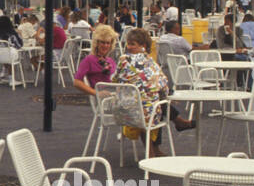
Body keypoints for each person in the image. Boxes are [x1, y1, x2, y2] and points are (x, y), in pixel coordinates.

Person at [112, 28, 194, 157]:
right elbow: (163, 83)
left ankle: (154, 150)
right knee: (157, 105)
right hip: (137, 111)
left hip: (126, 108)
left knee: (154, 104)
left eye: (132, 44)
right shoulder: (149, 62)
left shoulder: (124, 59)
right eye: (128, 43)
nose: (128, 47)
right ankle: (154, 149)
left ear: (143, 45)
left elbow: (115, 79)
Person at [73, 24, 118, 96]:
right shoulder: (89, 60)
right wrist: (96, 93)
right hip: (104, 100)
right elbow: (77, 82)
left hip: (114, 95)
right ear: (97, 43)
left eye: (108, 43)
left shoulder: (110, 61)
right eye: (102, 42)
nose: (105, 45)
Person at [0, 14, 24, 81]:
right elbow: (19, 45)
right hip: (10, 56)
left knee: (5, 53)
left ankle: (4, 71)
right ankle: (11, 78)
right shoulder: (12, 34)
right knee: (9, 53)